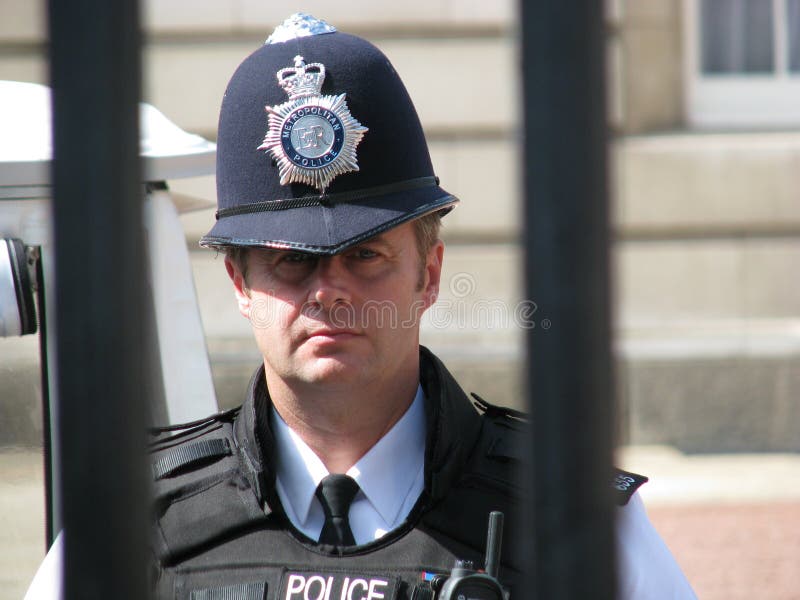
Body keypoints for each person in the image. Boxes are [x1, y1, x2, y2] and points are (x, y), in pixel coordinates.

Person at [26, 13, 696, 600]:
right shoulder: (131, 526)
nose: (329, 290)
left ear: (428, 274)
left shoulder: (575, 521)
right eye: (292, 260)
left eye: (366, 255)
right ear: (239, 281)